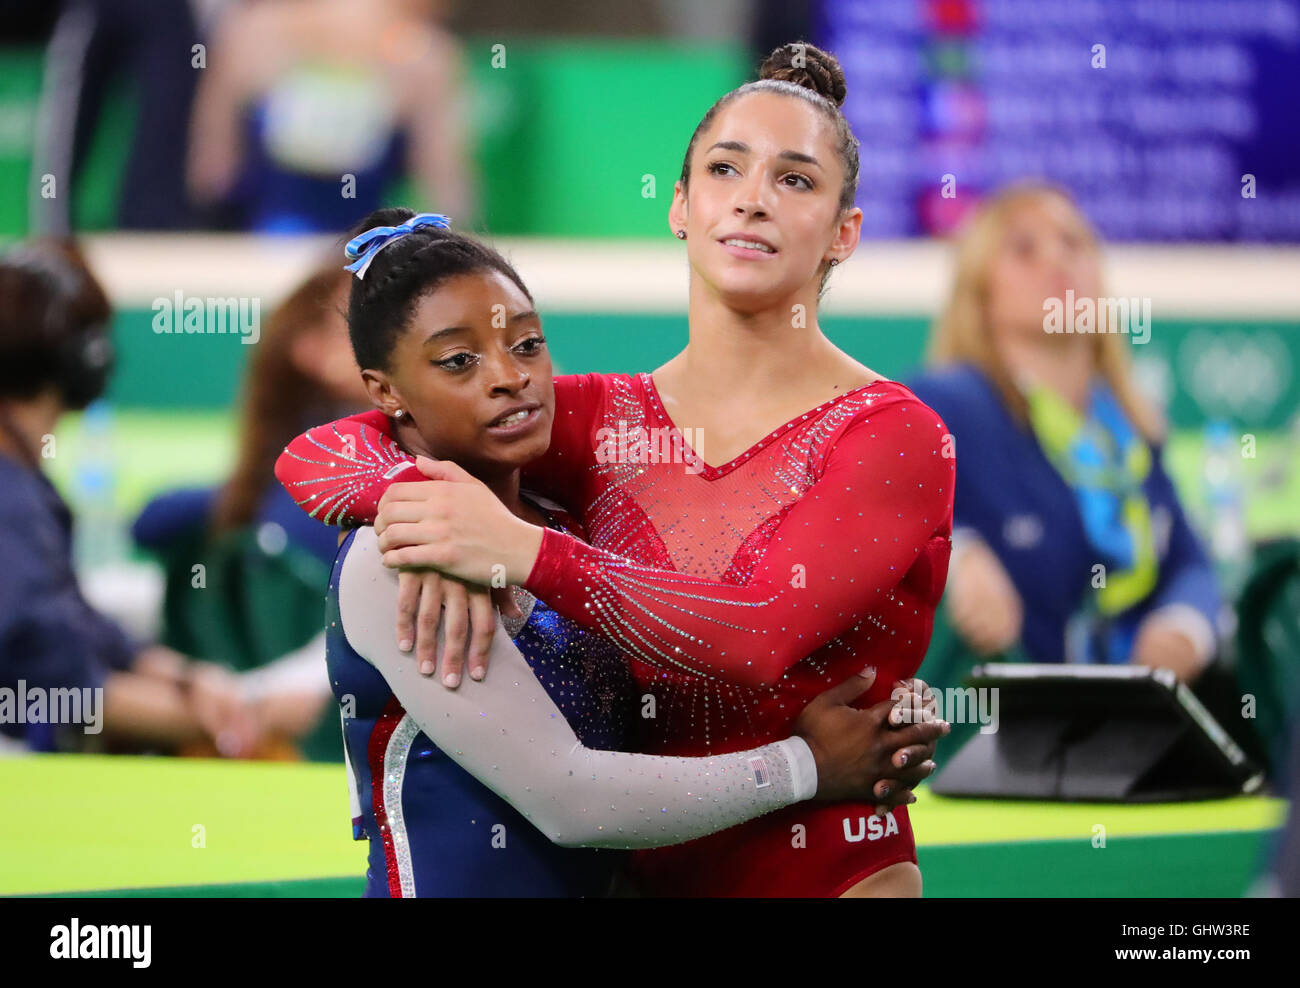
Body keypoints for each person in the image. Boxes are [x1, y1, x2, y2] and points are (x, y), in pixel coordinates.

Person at [277, 41, 956, 897]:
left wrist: (515, 551)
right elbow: (327, 448)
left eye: (795, 180)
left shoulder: (893, 433)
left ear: (844, 232)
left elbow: (754, 636)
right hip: (640, 872)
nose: (752, 200)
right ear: (680, 204)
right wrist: (419, 501)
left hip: (825, 872)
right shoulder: (606, 418)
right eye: (724, 168)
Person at [907, 182, 1222, 681]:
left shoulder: (1130, 427)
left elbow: (1194, 564)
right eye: (1024, 248)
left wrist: (1182, 627)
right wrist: (958, 557)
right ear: (981, 295)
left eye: (1074, 243)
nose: (1057, 260)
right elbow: (881, 523)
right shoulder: (942, 405)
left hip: (1135, 725)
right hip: (998, 732)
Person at [0, 240, 256, 755]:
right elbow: (49, 690)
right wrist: (231, 719)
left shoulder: (26, 489)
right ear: (85, 357)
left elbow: (75, 629)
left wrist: (184, 677)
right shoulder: (12, 500)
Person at [131, 263, 370, 759]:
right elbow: (152, 521)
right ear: (312, 350)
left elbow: (151, 522)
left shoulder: (278, 496)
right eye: (370, 317)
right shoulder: (313, 486)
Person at [187, 0, 475, 233]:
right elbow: (449, 193)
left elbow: (209, 173)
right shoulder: (425, 57)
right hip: (360, 258)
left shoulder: (249, 31)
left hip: (272, 245)